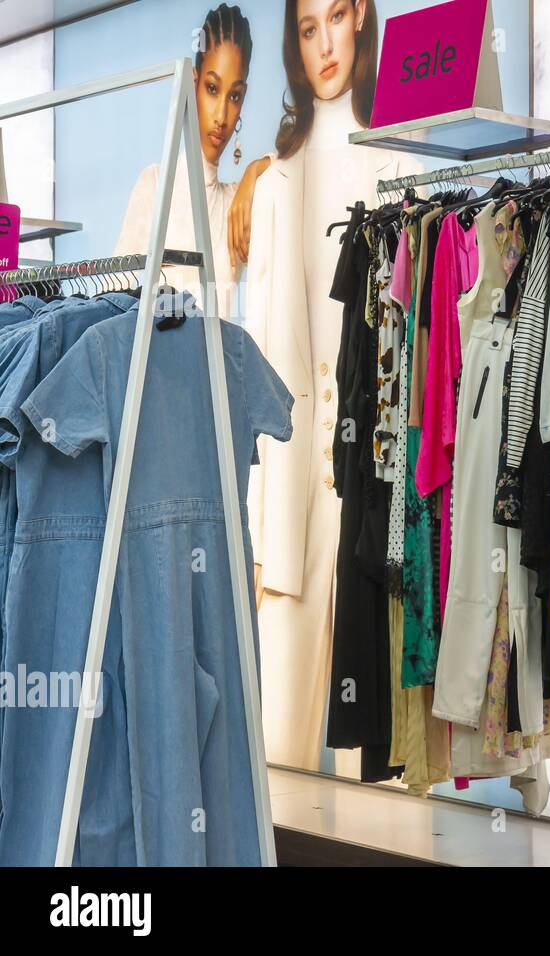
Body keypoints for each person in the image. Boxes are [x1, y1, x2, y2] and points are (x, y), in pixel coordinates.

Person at [236, 0, 422, 772]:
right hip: (292, 476)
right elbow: (256, 351)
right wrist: (251, 515)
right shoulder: (274, 180)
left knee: (372, 760)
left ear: (364, 19)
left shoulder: (398, 161)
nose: (324, 44)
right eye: (307, 27)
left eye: (336, 19)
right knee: (274, 749)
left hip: (372, 465)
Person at [115, 3, 251, 321]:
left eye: (234, 96)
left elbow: (286, 165)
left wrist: (255, 171)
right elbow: (113, 292)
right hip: (156, 365)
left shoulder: (239, 201)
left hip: (218, 367)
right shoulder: (155, 184)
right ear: (193, 83)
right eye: (212, 88)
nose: (221, 116)